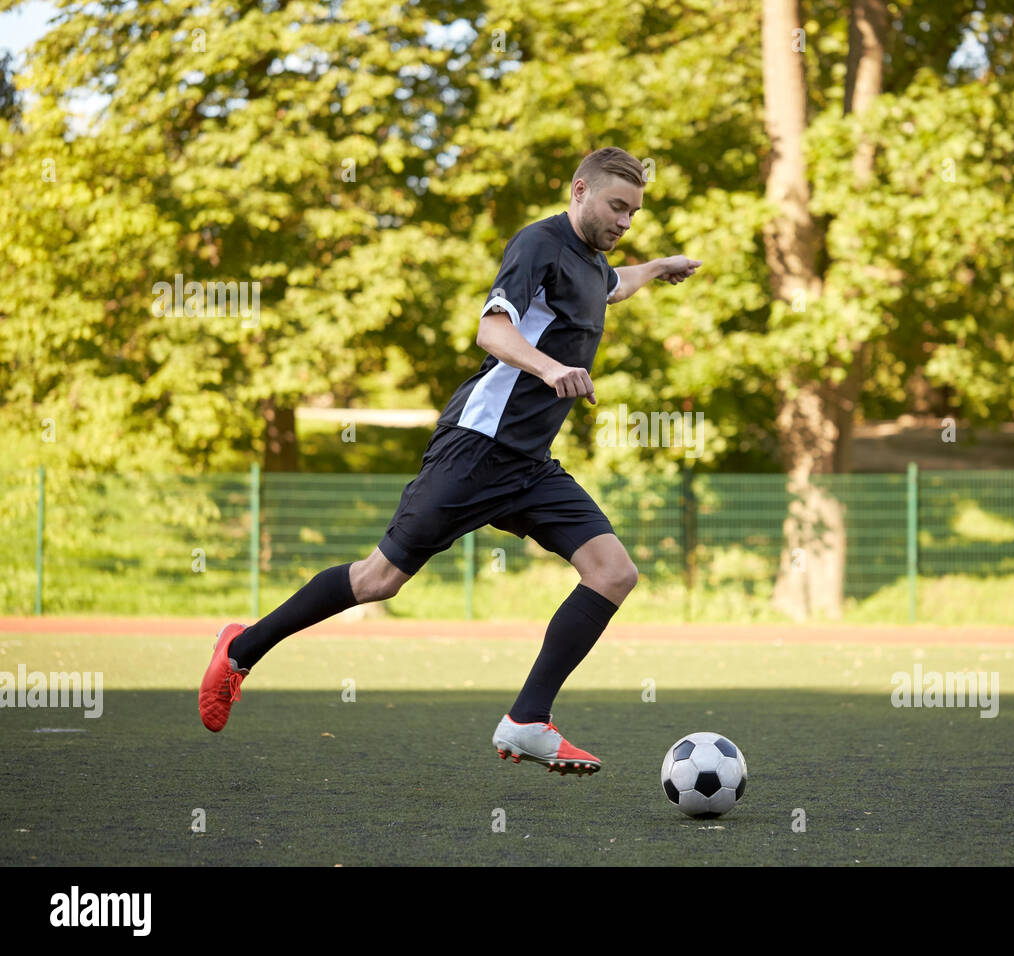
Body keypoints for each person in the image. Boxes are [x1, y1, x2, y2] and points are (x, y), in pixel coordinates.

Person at [199, 146, 702, 776]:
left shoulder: (592, 264)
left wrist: (657, 267)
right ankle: (240, 650)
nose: (625, 220)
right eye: (616, 205)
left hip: (529, 465)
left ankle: (527, 720)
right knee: (378, 580)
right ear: (579, 191)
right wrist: (552, 370)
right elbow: (491, 331)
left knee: (612, 572)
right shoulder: (537, 245)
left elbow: (612, 287)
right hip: (477, 449)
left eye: (633, 211)